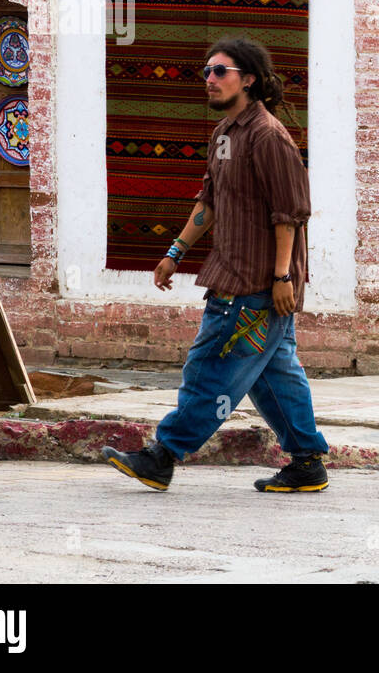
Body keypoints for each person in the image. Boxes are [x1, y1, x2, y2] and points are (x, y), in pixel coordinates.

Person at [101, 37, 330, 492]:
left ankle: (161, 455)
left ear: (248, 80)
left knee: (210, 370)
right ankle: (307, 463)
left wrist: (283, 277)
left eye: (219, 71)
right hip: (238, 274)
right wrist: (175, 252)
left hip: (255, 285)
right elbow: (210, 202)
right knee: (273, 376)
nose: (209, 79)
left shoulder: (267, 136)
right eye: (206, 71)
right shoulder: (225, 134)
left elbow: (290, 213)